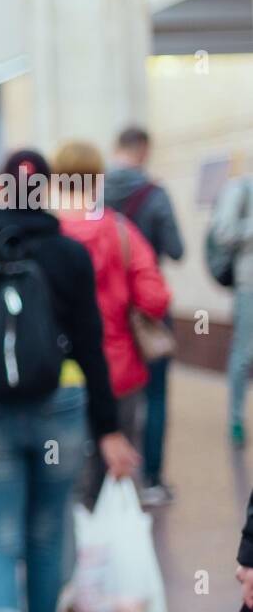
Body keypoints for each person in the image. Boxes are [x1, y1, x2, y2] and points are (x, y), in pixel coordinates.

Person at [0, 150, 138, 612]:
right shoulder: (67, 254)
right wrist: (109, 429)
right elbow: (91, 343)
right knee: (46, 528)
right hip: (60, 405)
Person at [52, 141, 169, 506]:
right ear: (97, 181)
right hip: (119, 371)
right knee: (115, 470)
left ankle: (73, 547)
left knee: (66, 483)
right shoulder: (121, 231)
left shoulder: (47, 236)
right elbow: (156, 298)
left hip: (61, 374)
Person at [104, 126, 183, 506]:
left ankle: (109, 478)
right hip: (147, 316)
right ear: (143, 150)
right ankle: (151, 480)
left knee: (110, 392)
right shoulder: (155, 193)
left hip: (107, 315)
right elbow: (177, 248)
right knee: (155, 396)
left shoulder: (94, 193)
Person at [209, 171, 253, 446]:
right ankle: (236, 419)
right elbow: (222, 231)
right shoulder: (242, 188)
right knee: (244, 354)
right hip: (249, 286)